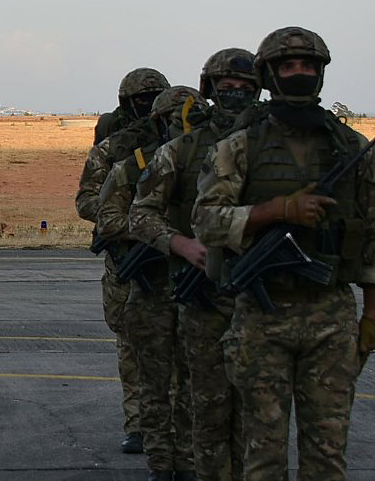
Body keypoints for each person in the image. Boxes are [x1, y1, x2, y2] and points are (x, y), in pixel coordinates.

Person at [193, 26, 375, 481]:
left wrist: (371, 321)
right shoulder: (239, 146)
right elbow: (206, 221)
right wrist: (277, 210)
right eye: (288, 66)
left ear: (321, 74)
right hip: (261, 320)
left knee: (327, 457)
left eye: (308, 65)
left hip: (331, 317)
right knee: (262, 458)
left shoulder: (355, 149)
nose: (299, 73)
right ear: (271, 74)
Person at [129, 49, 259, 481]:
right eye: (226, 87)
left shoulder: (271, 144)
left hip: (264, 298)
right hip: (202, 293)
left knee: (258, 415)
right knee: (204, 408)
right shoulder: (179, 151)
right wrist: (182, 245)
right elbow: (140, 214)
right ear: (208, 89)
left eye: (246, 88)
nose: (236, 95)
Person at [98, 86, 203, 481]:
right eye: (176, 121)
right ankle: (161, 462)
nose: (185, 128)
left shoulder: (218, 161)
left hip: (200, 286)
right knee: (156, 382)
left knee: (199, 383)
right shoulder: (136, 163)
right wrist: (160, 235)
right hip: (152, 282)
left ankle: (191, 462)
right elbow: (107, 217)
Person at [76, 67, 169, 454]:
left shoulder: (182, 148)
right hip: (126, 258)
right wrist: (130, 215)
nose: (148, 109)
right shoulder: (113, 149)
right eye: (141, 102)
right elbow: (86, 202)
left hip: (168, 260)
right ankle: (139, 424)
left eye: (155, 101)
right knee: (130, 343)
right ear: (127, 105)